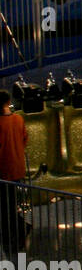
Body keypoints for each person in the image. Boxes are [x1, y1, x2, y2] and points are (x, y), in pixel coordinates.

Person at [0, 90, 27, 254]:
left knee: (5, 206)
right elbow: (25, 139)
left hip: (3, 170)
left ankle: (17, 231)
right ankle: (18, 231)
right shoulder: (18, 119)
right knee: (11, 203)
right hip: (17, 167)